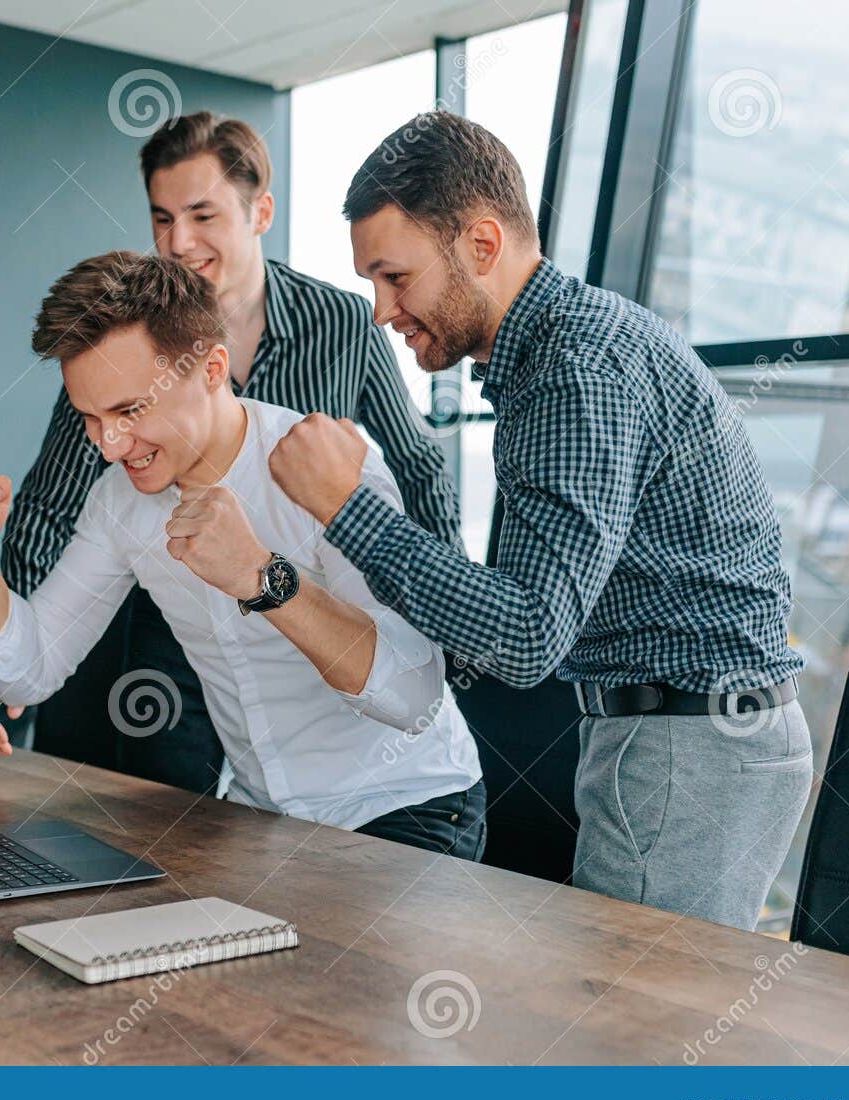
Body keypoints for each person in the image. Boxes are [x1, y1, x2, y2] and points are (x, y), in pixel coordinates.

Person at [267, 111, 810, 931]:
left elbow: (525, 636)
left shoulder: (573, 373)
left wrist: (348, 509)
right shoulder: (561, 355)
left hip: (689, 749)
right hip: (684, 737)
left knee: (629, 1039)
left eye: (395, 276)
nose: (381, 310)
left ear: (481, 245)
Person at [0, 251, 485, 858]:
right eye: (90, 417)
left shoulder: (323, 467)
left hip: (403, 805)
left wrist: (262, 578)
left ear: (213, 369)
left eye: (129, 410)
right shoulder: (119, 502)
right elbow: (29, 672)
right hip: (261, 817)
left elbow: (411, 695)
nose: (110, 444)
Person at [0, 112, 461, 792]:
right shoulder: (113, 352)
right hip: (173, 623)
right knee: (186, 819)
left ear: (260, 211)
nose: (179, 241)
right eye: (162, 219)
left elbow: (416, 469)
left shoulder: (342, 322)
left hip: (313, 624)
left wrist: (443, 623)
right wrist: (15, 649)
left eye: (202, 215)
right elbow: (49, 505)